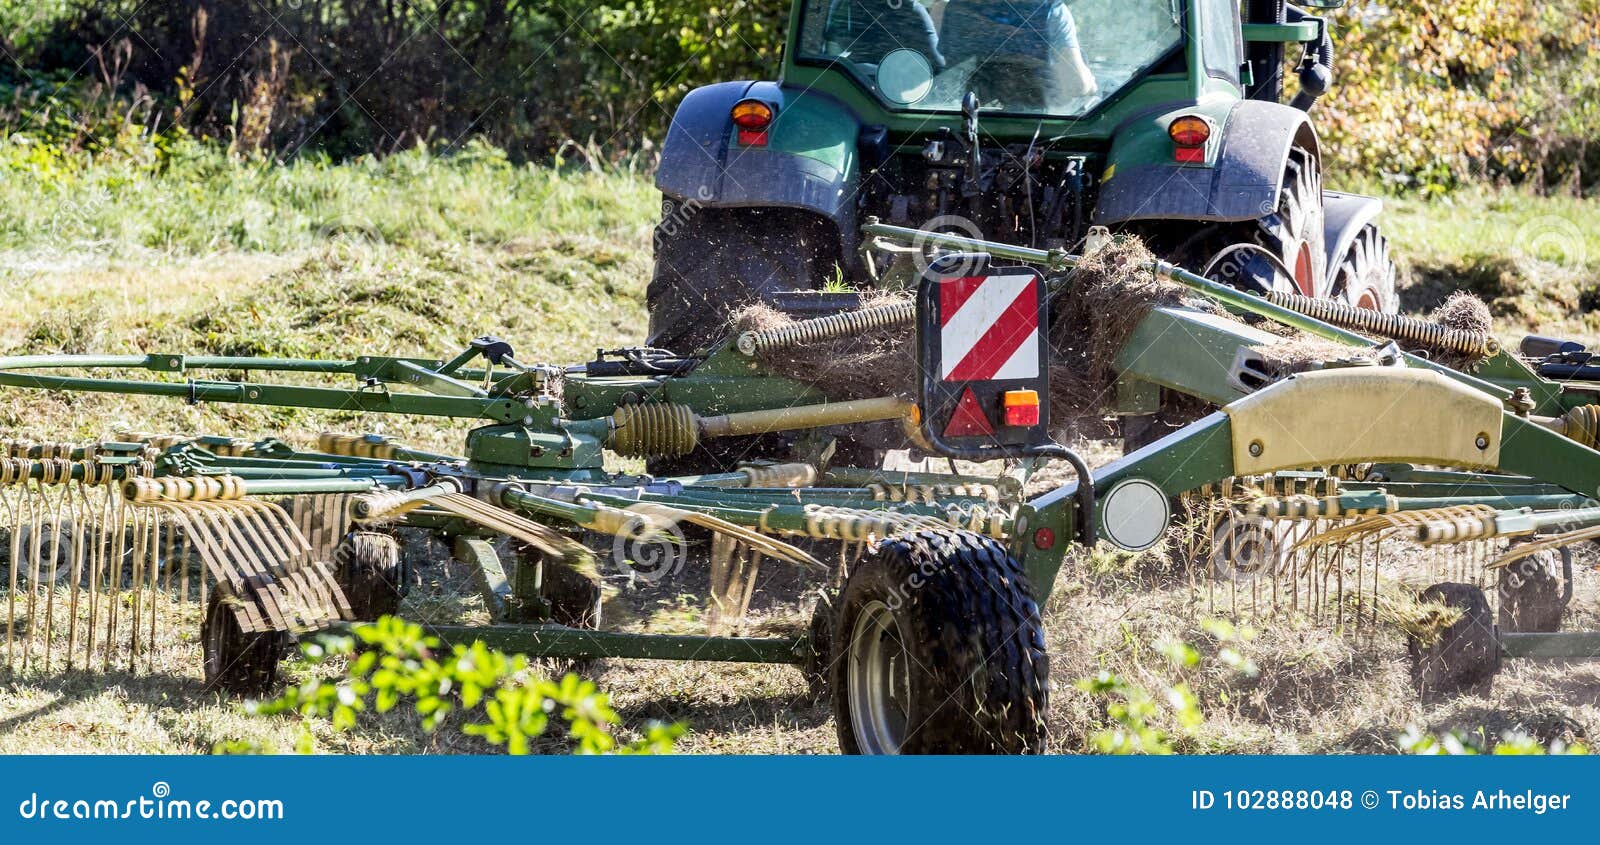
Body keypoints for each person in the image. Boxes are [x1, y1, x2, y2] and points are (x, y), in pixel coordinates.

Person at [938, 0, 1097, 106]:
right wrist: (1091, 84)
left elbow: (950, 76)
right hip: (1034, 125)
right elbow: (1077, 84)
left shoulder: (958, 7)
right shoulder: (1052, 11)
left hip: (968, 118)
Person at [824, 0, 946, 71]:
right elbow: (938, 63)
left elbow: (937, 63)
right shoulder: (914, 10)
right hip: (855, 79)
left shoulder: (914, 10)